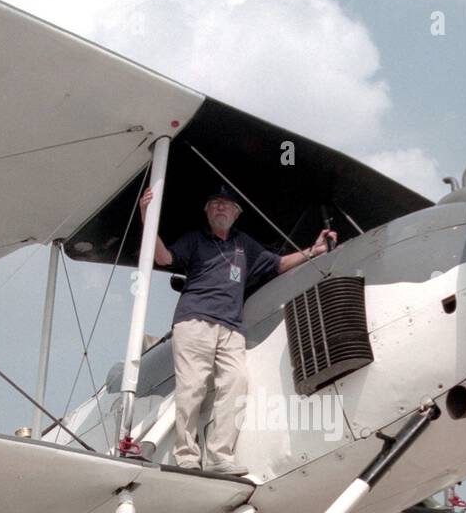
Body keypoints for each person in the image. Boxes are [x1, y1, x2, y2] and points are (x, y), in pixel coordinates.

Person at [139, 184, 336, 474]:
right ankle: (187, 457)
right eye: (215, 203)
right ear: (207, 211)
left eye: (227, 204)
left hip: (231, 327)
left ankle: (220, 456)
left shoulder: (244, 245)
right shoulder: (195, 240)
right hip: (194, 320)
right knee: (192, 387)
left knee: (237, 383)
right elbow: (164, 258)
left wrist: (315, 251)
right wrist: (147, 216)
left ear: (236, 213)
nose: (220, 207)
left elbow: (279, 264)